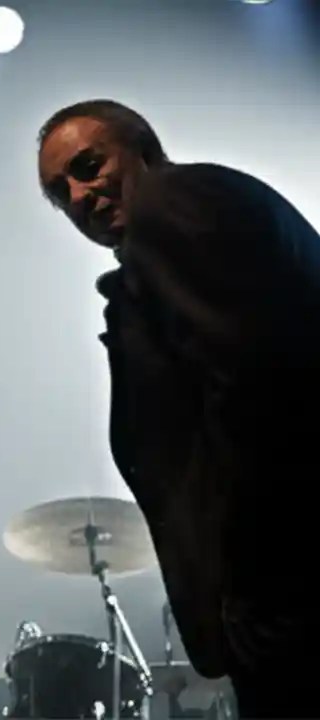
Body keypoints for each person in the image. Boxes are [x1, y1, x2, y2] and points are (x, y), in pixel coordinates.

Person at [36, 99, 320, 718]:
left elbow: (252, 394)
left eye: (88, 166)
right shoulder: (195, 214)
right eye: (61, 192)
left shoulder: (172, 207)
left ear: (142, 147)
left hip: (290, 584)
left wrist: (251, 588)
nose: (79, 196)